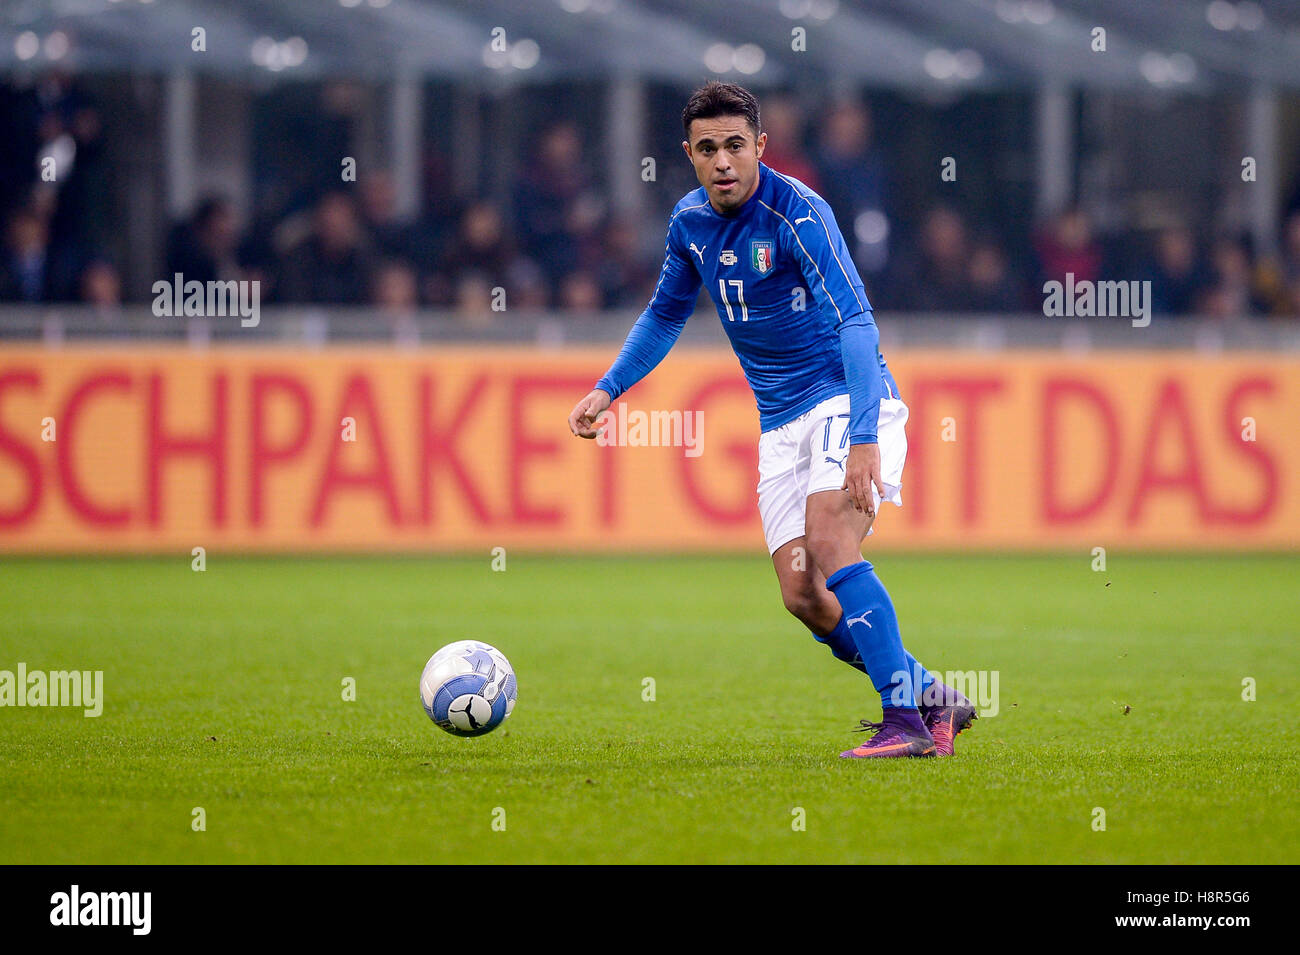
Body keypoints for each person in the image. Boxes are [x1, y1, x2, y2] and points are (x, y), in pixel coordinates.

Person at [566, 82, 974, 759]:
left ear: (760, 146)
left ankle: (903, 721)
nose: (722, 161)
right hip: (780, 423)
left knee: (831, 537)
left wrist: (866, 437)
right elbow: (667, 313)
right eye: (707, 149)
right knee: (801, 593)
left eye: (734, 145)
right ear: (689, 155)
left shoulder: (799, 213)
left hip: (843, 398)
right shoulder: (689, 222)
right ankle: (931, 694)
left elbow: (855, 320)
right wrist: (610, 388)